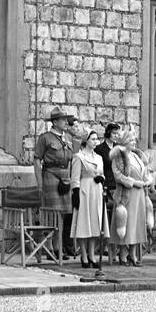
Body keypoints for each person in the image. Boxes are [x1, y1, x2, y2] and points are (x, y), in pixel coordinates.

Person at [34, 108, 76, 259]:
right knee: (51, 212)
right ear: (55, 122)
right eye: (63, 120)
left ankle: (58, 247)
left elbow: (71, 160)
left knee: (63, 213)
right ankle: (48, 246)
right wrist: (40, 183)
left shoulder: (68, 138)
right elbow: (37, 160)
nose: (66, 122)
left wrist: (70, 179)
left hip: (65, 177)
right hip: (50, 175)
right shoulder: (45, 138)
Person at [111, 128, 153, 266]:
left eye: (134, 140)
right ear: (124, 142)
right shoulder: (119, 157)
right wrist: (133, 182)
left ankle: (133, 254)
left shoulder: (136, 156)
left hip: (140, 194)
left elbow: (145, 172)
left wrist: (148, 180)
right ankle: (123, 254)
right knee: (126, 223)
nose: (134, 142)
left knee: (137, 224)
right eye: (131, 140)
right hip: (126, 194)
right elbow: (117, 175)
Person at [69, 128, 105, 268]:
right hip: (84, 190)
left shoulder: (99, 158)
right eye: (93, 139)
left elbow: (101, 173)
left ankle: (91, 254)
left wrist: (101, 178)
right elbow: (75, 177)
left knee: (95, 223)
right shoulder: (79, 157)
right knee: (84, 223)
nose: (96, 141)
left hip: (96, 191)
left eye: (97, 139)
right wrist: (76, 192)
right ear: (86, 141)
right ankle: (83, 254)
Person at [95, 123, 122, 263]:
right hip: (106, 184)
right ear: (108, 133)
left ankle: (116, 246)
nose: (116, 136)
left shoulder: (119, 149)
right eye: (114, 133)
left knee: (118, 216)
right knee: (106, 216)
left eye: (118, 133)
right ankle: (106, 244)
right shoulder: (100, 148)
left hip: (117, 184)